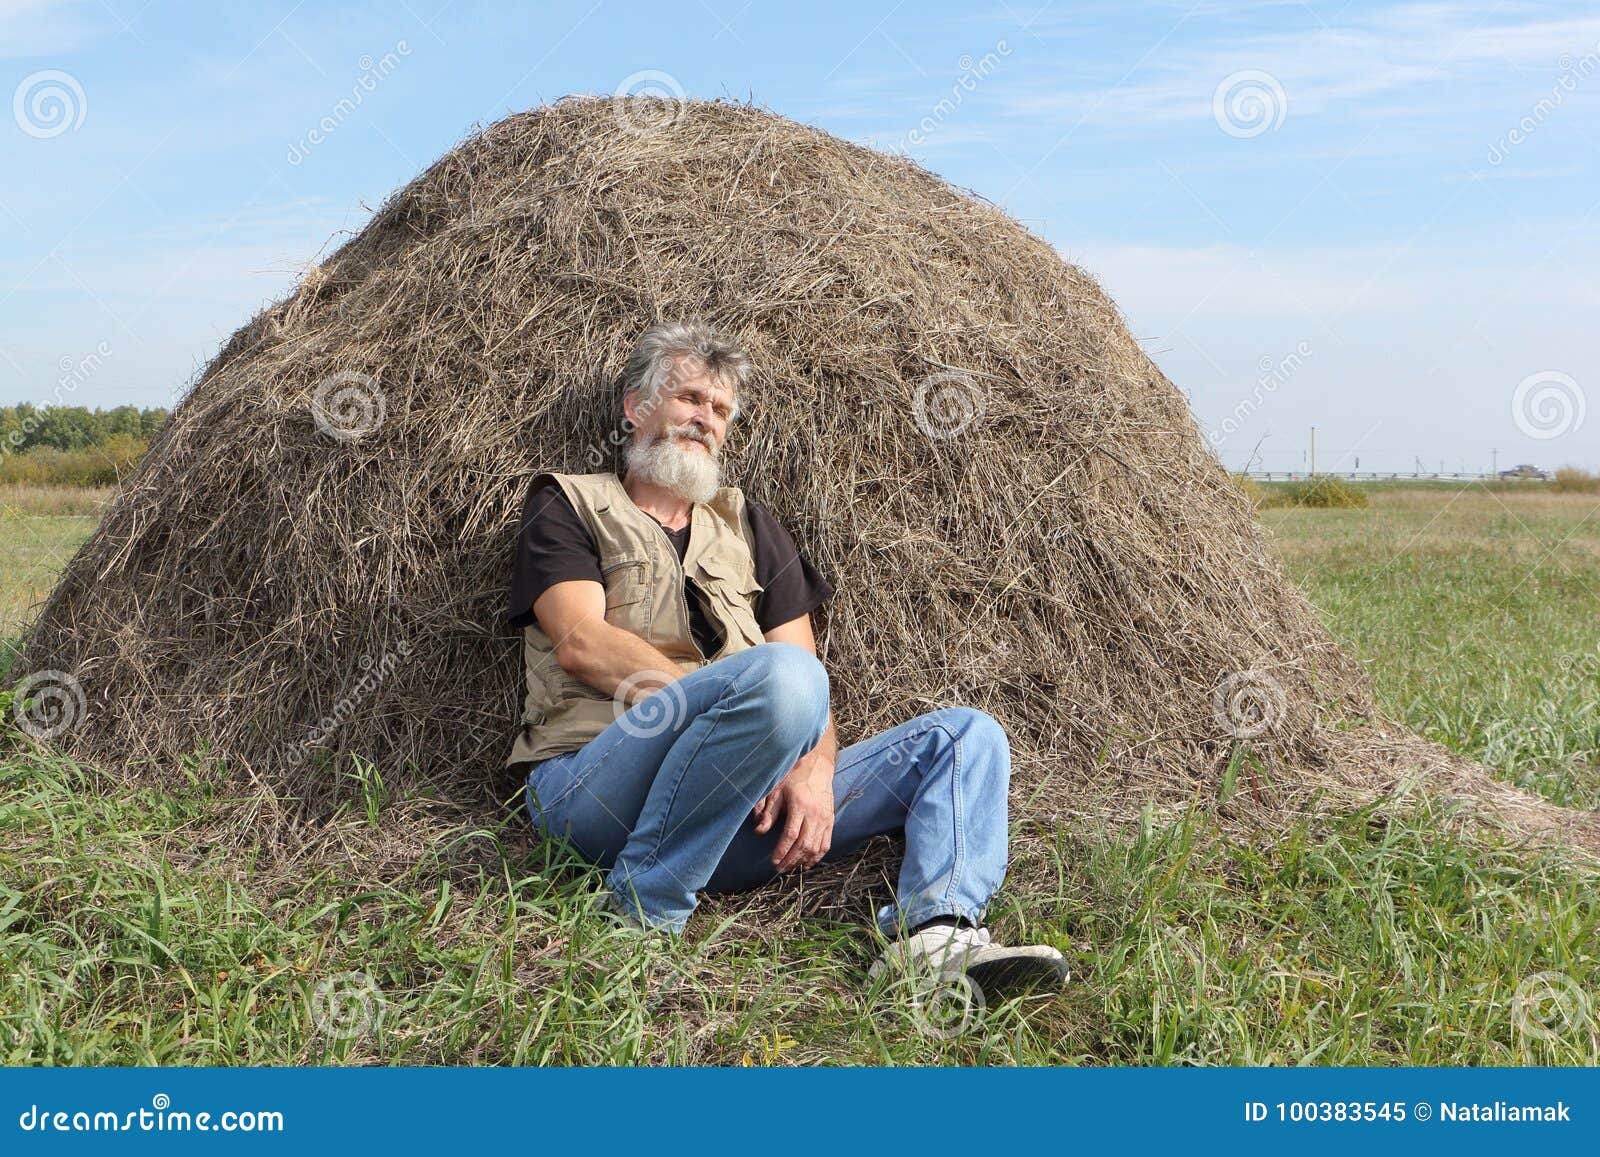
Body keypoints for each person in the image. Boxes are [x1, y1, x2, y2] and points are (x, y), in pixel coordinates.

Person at [504, 320, 1068, 996]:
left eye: (718, 409)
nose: (703, 419)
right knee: (782, 678)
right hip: (596, 789)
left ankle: (935, 937)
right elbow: (580, 641)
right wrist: (734, 707)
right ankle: (644, 908)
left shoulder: (748, 524)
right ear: (635, 406)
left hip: (737, 820)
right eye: (688, 398)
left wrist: (812, 765)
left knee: (967, 736)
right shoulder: (569, 503)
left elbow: (809, 681)